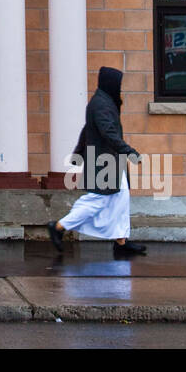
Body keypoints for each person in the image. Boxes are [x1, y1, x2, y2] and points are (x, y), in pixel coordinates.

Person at [46, 66, 147, 257]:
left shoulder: (104, 101)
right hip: (104, 162)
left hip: (110, 161)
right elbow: (107, 133)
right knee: (97, 200)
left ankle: (121, 242)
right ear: (111, 84)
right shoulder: (101, 104)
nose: (120, 89)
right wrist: (130, 152)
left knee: (121, 197)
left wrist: (78, 153)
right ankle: (58, 227)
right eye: (118, 84)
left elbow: (87, 130)